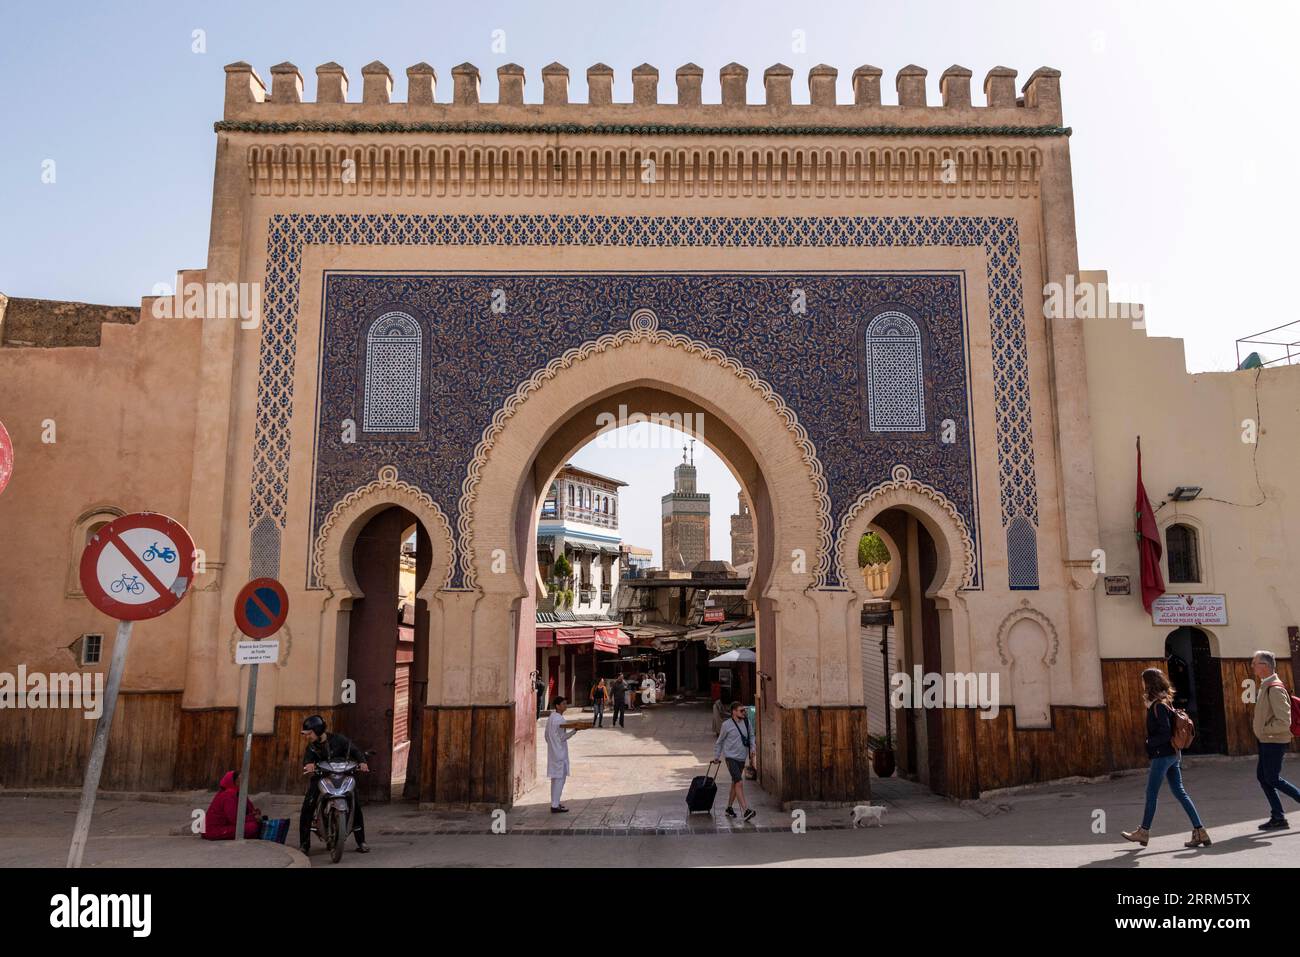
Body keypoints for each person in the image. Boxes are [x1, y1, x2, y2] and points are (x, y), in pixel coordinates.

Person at [1121, 668, 1209, 848]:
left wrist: (1149, 742)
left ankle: (1143, 832)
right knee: (1180, 792)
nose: (1142, 685)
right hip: (1173, 754)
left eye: (1143, 681)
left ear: (1149, 683)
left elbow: (1165, 732)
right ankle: (1200, 831)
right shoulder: (1165, 702)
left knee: (1151, 793)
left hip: (1162, 755)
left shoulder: (1159, 706)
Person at [299, 714, 370, 855]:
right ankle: (304, 844)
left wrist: (362, 762)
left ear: (318, 731)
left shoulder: (339, 740)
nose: (307, 736)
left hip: (343, 776)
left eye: (310, 733)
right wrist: (309, 764)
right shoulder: (312, 747)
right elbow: (307, 760)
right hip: (322, 778)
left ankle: (361, 842)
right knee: (308, 807)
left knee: (355, 804)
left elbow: (355, 751)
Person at [1250, 650, 1300, 830]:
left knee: (1272, 778)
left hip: (1274, 741)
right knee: (1264, 777)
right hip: (1267, 740)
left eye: (1255, 663)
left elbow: (1284, 721)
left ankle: (1279, 816)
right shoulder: (1266, 685)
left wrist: (1264, 730)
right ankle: (1278, 816)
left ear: (1264, 666)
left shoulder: (1275, 689)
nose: (1252, 666)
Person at [713, 700, 757, 821]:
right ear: (734, 712)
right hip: (730, 758)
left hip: (742, 758)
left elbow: (752, 736)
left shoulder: (747, 722)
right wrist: (717, 756)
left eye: (744, 710)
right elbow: (720, 741)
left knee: (735, 783)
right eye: (741, 711)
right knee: (739, 782)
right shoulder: (726, 725)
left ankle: (729, 808)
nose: (744, 712)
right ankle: (746, 810)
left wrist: (753, 748)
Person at [545, 696, 584, 812]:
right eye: (563, 704)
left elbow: (546, 736)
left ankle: (555, 802)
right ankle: (555, 805)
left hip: (553, 752)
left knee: (555, 779)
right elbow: (562, 737)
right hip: (560, 753)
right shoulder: (560, 720)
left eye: (566, 703)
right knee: (560, 779)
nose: (565, 706)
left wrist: (552, 745)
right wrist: (574, 731)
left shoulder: (551, 717)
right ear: (557, 706)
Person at [201, 769, 261, 841]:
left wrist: (254, 814)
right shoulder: (228, 796)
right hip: (213, 831)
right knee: (252, 827)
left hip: (225, 825)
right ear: (232, 782)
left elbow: (249, 808)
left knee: (255, 825)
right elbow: (234, 819)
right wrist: (253, 818)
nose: (242, 784)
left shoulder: (237, 793)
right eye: (239, 781)